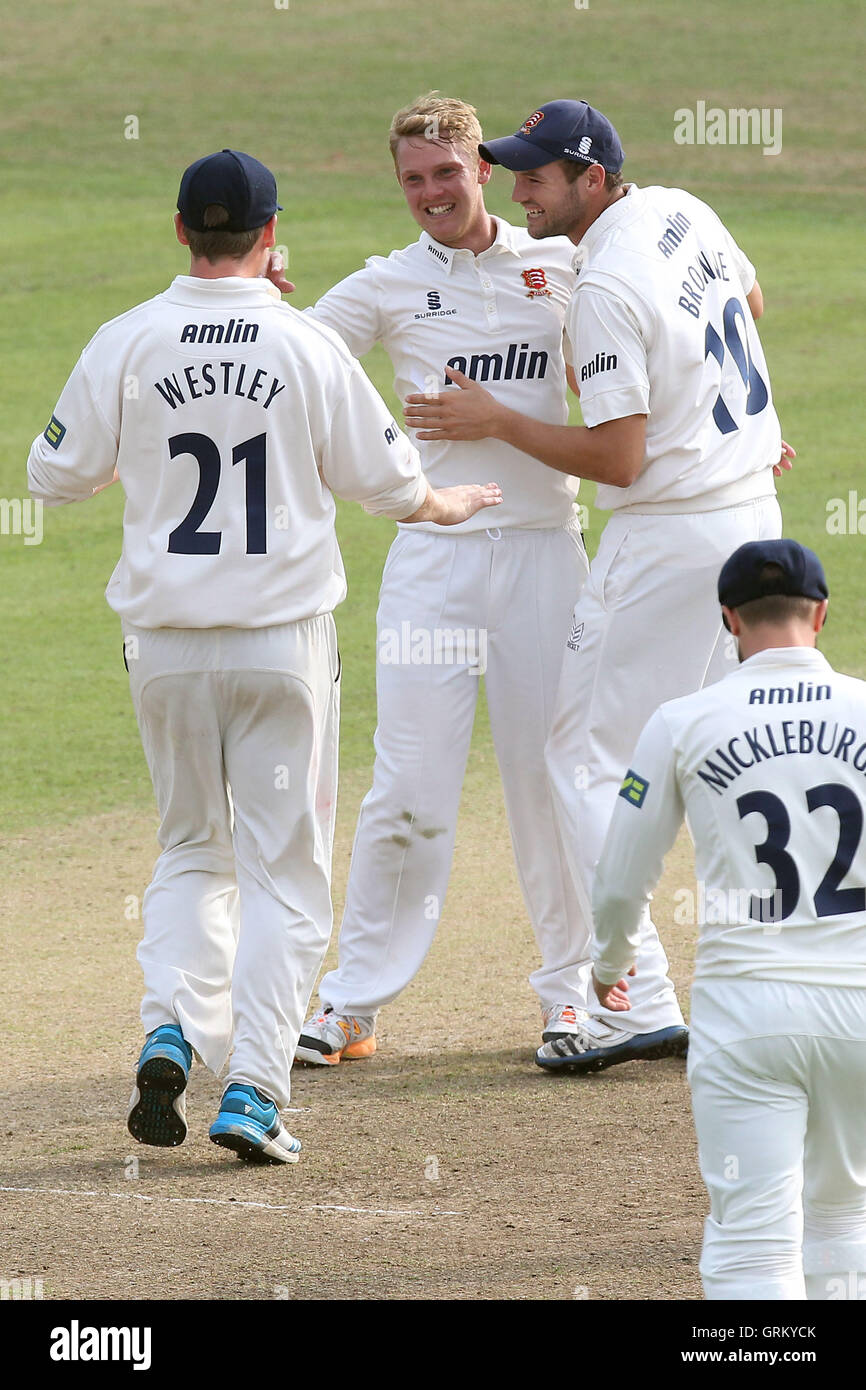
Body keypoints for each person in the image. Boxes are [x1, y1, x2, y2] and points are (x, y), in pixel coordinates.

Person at [26, 148, 500, 1163]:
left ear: (179, 232)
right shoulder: (303, 341)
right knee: (284, 873)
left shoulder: (127, 338)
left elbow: (54, 472)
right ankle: (251, 1089)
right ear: (271, 237)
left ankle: (170, 1027)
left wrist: (120, 460)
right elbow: (385, 479)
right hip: (281, 648)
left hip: (161, 647)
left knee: (194, 850)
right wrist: (438, 504)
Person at [405, 99, 795, 1073]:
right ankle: (759, 976)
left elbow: (617, 460)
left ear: (589, 180)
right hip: (749, 514)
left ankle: (631, 999)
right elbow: (744, 305)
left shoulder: (603, 281)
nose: (518, 188)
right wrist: (724, 432)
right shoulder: (680, 210)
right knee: (705, 751)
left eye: (535, 175)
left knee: (581, 759)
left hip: (666, 538)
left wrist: (493, 418)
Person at [269, 94, 591, 1066]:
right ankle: (351, 1001)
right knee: (407, 786)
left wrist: (736, 436)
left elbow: (662, 346)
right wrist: (257, 291)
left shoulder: (565, 265)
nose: (429, 194)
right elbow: (296, 358)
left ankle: (573, 995)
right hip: (435, 561)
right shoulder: (387, 283)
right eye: (411, 179)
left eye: (444, 173)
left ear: (481, 169)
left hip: (546, 552)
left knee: (552, 781)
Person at [591, 539, 866, 1300]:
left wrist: (609, 965)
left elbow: (620, 878)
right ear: (820, 613)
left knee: (751, 1241)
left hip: (747, 1013)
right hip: (860, 1010)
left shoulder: (681, 721)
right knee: (847, 1225)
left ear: (726, 620)